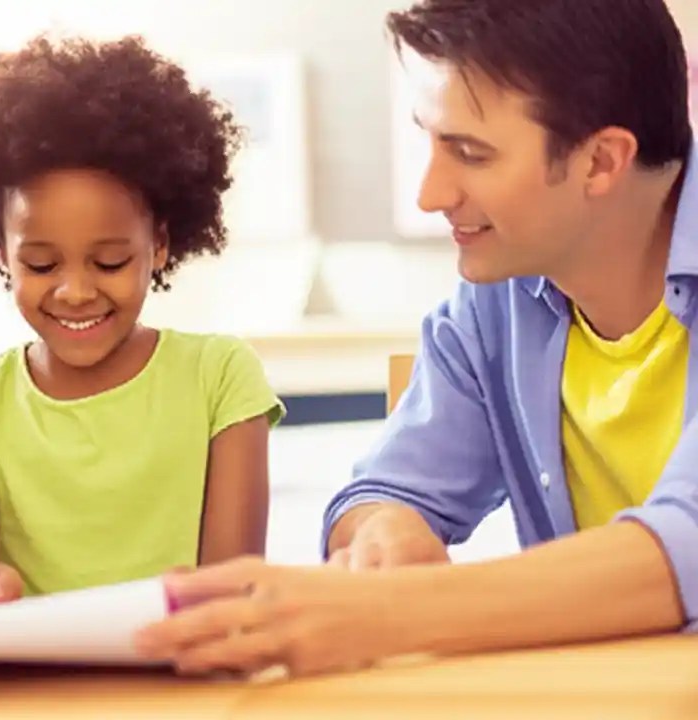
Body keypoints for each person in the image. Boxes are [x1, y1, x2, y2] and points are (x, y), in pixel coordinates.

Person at [134, 0, 697, 677]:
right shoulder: (496, 303)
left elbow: (686, 543)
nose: (431, 193)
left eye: (469, 153)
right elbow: (383, 491)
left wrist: (384, 613)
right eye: (428, 142)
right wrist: (386, 532)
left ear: (602, 161)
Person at [0, 34, 285, 615]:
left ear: (159, 245)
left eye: (109, 262)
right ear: (1, 253)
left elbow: (226, 596)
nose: (75, 292)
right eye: (41, 263)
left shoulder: (220, 377)